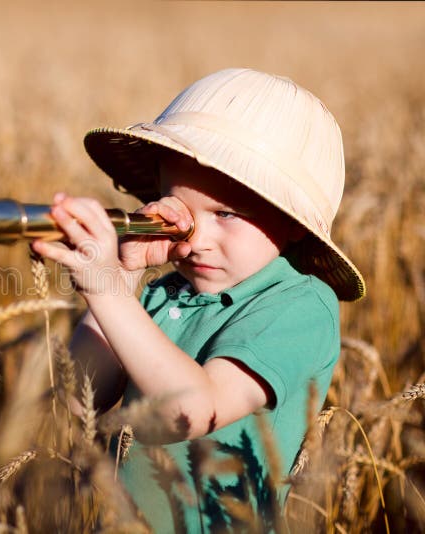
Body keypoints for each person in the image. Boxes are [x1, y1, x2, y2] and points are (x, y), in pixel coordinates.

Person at [31, 68, 365, 533]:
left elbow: (191, 411)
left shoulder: (301, 305)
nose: (196, 239)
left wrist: (107, 290)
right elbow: (77, 398)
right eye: (182, 211)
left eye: (225, 213)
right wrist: (124, 273)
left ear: (293, 222)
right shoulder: (163, 293)